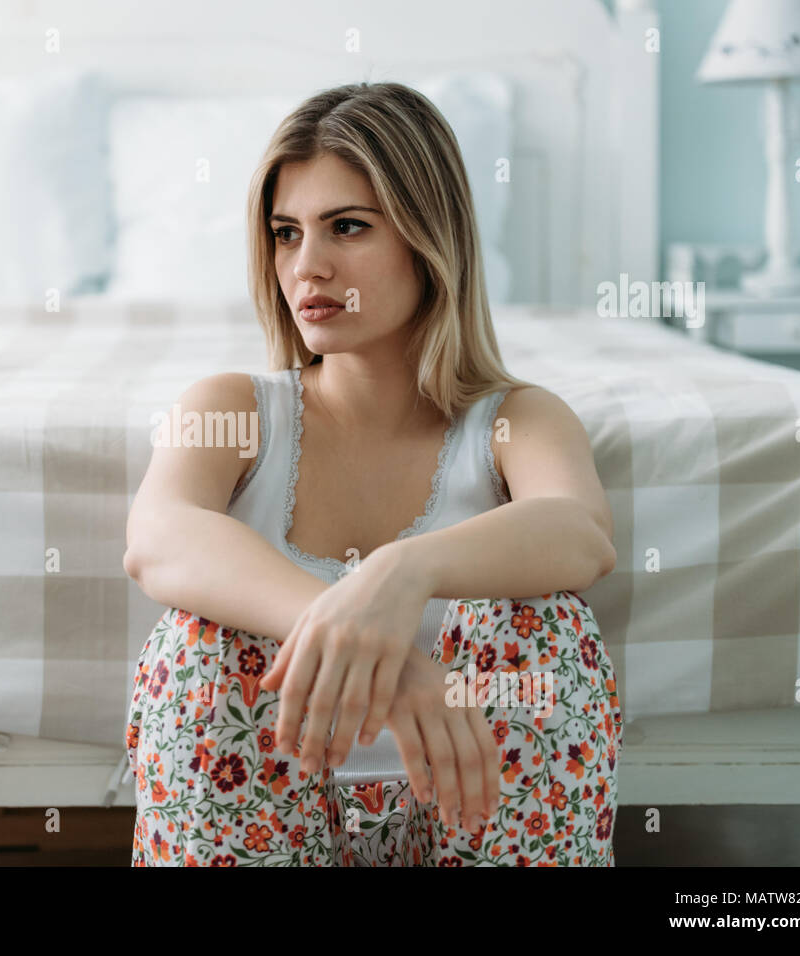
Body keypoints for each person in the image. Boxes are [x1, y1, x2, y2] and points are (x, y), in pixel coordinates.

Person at [122, 82, 623, 866]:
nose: (306, 267)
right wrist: (365, 646)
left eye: (346, 227)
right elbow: (159, 537)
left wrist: (400, 573)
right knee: (198, 644)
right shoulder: (231, 409)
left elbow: (581, 532)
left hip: (471, 801)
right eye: (286, 234)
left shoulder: (517, 419)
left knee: (547, 628)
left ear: (430, 239)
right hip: (265, 805)